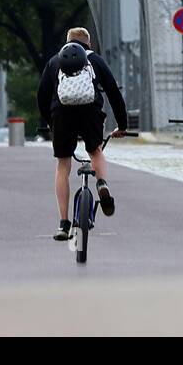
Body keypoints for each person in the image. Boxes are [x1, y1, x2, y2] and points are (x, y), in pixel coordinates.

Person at [37, 28, 129, 240]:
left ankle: (63, 222)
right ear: (89, 44)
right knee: (95, 150)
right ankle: (102, 183)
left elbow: (42, 96)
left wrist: (50, 121)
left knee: (63, 163)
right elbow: (114, 93)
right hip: (91, 113)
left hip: (61, 115)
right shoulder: (95, 60)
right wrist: (122, 125)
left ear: (67, 43)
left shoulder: (54, 62)